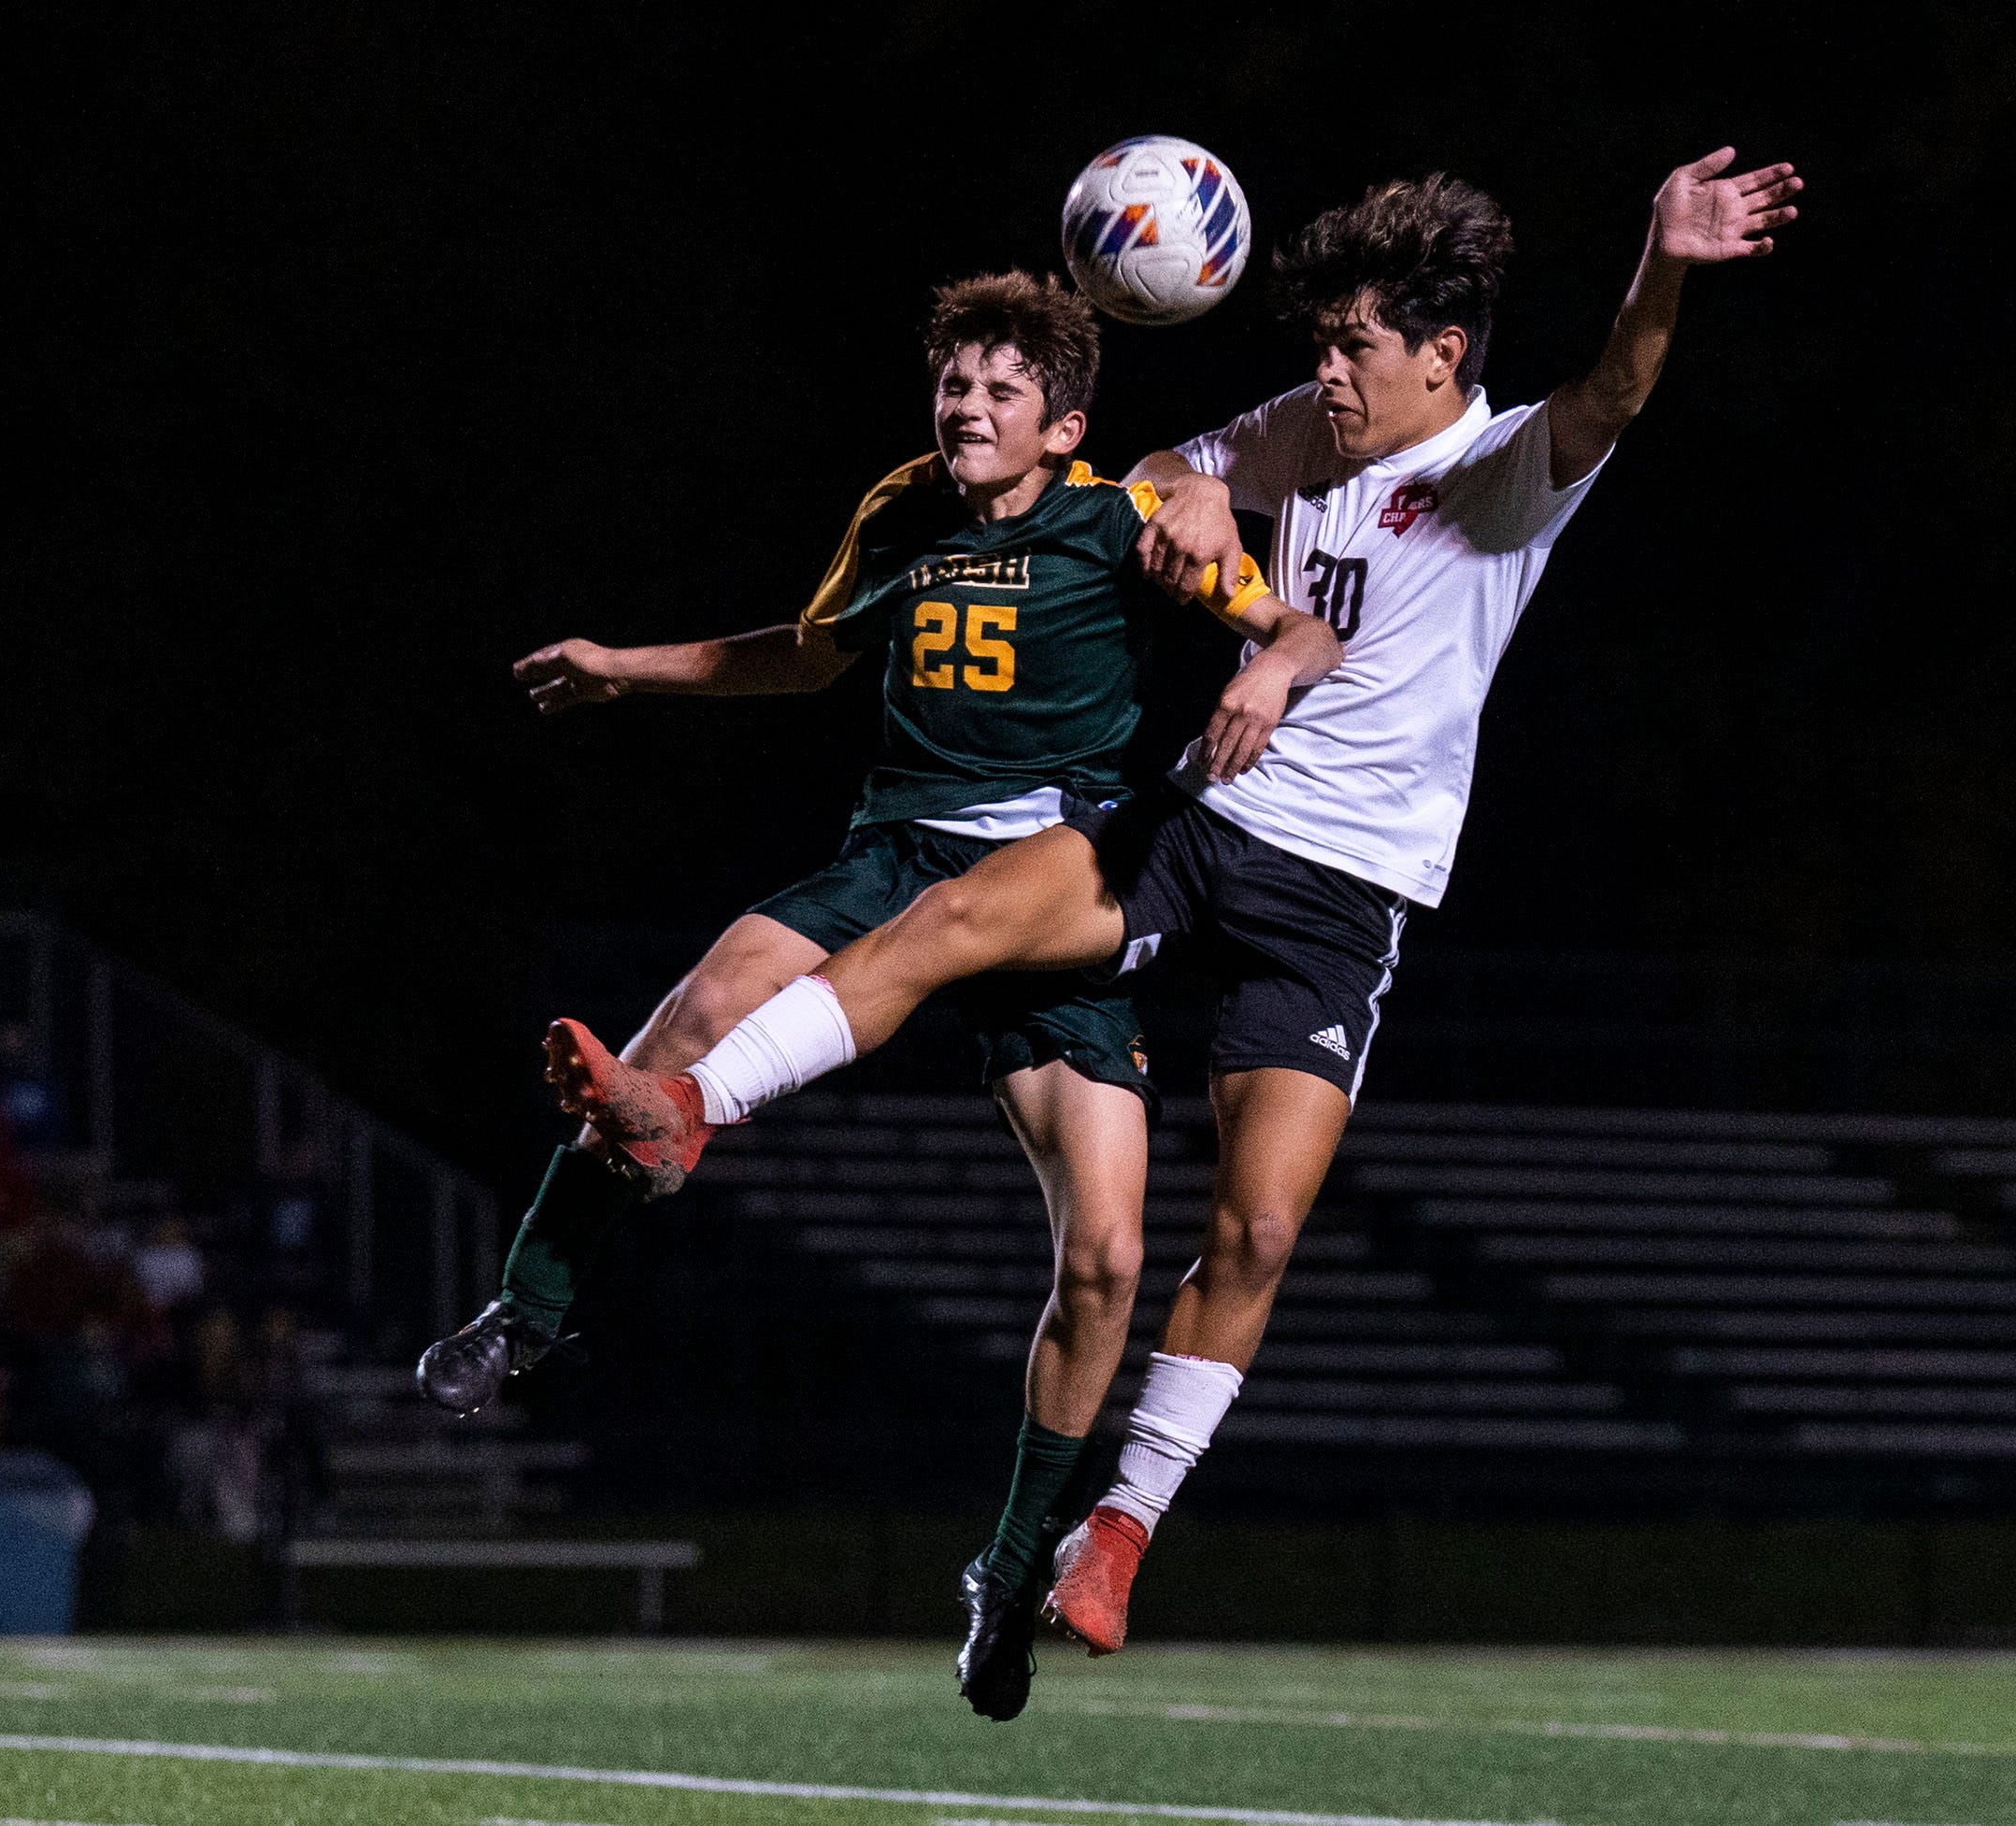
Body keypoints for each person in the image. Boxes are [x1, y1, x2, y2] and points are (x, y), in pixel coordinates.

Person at [551, 150, 1803, 1657]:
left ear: (1442, 357)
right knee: (946, 921)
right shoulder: (1298, 429)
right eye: (1322, 343)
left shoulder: (1505, 467)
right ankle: (691, 1107)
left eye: (1356, 349)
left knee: (1261, 1228)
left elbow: (1617, 389)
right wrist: (1198, 484)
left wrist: (1661, 262)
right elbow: (1143, 480)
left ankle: (1119, 1527)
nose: (1326, 372)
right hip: (1206, 826)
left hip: (1343, 900)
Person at [414, 269, 1341, 1719]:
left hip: (1059, 886)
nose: (967, 408)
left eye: (999, 393)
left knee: (1105, 1257)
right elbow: (805, 654)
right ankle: (521, 1311)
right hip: (898, 852)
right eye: (955, 385)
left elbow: (1297, 628)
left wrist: (1276, 660)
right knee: (680, 1028)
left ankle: (1012, 1563)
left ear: (1066, 426)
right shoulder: (900, 507)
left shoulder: (1124, 522)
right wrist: (629, 669)